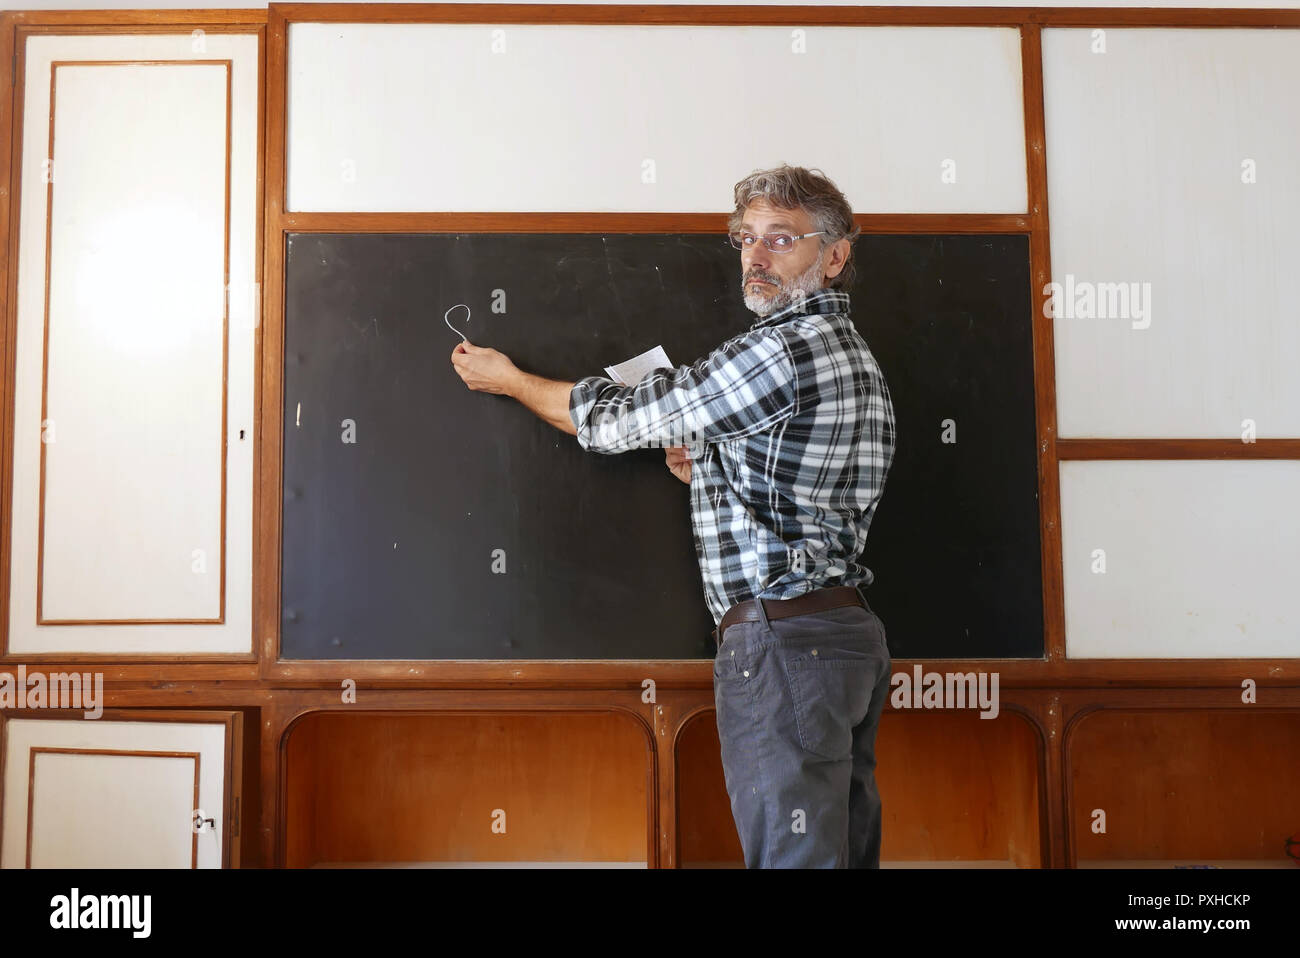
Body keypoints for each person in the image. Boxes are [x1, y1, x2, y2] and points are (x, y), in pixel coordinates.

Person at [451, 164, 897, 868]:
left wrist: (510, 382)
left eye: (780, 239)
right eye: (745, 239)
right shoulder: (855, 358)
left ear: (835, 256)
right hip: (840, 638)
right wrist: (712, 465)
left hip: (783, 642)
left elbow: (616, 421)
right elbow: (796, 491)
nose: (755, 257)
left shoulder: (782, 349)